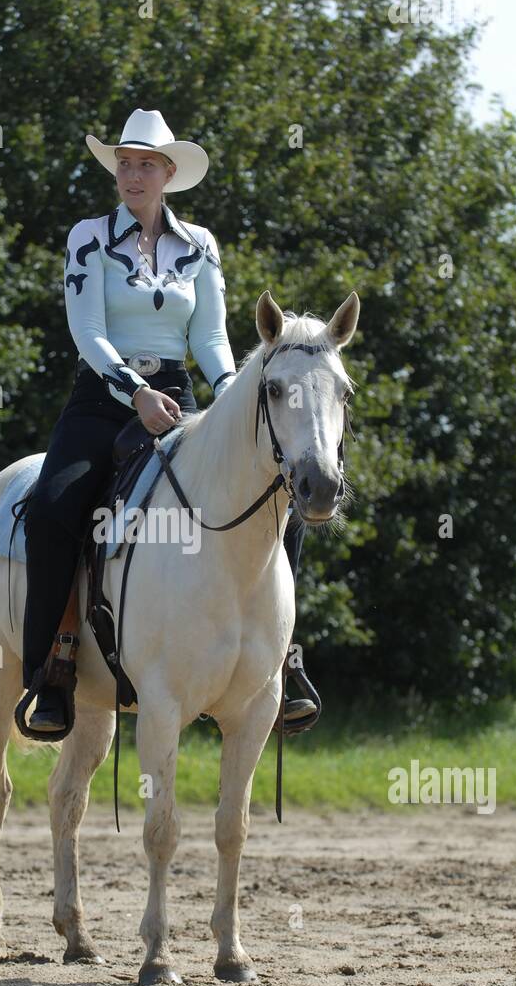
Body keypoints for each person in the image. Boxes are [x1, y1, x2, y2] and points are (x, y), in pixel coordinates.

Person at [20, 107, 319, 734]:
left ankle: (281, 662)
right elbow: (89, 334)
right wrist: (135, 393)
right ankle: (51, 670)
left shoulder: (200, 246)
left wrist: (236, 399)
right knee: (52, 507)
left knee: (282, 495)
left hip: (181, 398)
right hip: (103, 400)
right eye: (124, 163)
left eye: (145, 165)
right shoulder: (88, 237)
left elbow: (211, 338)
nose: (133, 174)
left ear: (168, 173)